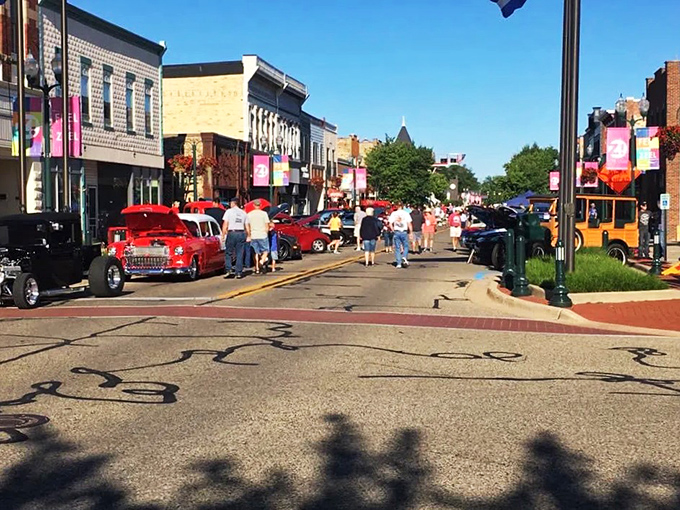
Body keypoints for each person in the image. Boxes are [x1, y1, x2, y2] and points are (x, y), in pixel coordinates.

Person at [221, 197, 250, 279]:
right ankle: (238, 272)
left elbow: (225, 224)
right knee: (240, 253)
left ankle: (229, 269)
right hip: (241, 233)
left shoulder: (228, 212)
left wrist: (223, 235)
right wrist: (248, 236)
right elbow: (247, 226)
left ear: (233, 203)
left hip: (232, 233)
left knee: (228, 252)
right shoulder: (244, 213)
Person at [247, 199, 273, 274]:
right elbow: (267, 225)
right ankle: (261, 262)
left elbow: (247, 226)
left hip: (253, 235)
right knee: (266, 251)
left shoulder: (249, 214)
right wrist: (266, 232)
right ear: (260, 206)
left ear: (253, 205)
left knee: (255, 252)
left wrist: (249, 234)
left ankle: (257, 268)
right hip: (262, 235)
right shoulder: (264, 214)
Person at [389, 203, 413, 268]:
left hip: (397, 231)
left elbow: (390, 224)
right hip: (404, 231)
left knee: (397, 248)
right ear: (402, 206)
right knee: (406, 246)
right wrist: (410, 232)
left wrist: (393, 230)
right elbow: (409, 224)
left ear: (396, 206)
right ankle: (404, 256)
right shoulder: (406, 213)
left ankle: (398, 263)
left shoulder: (393, 214)